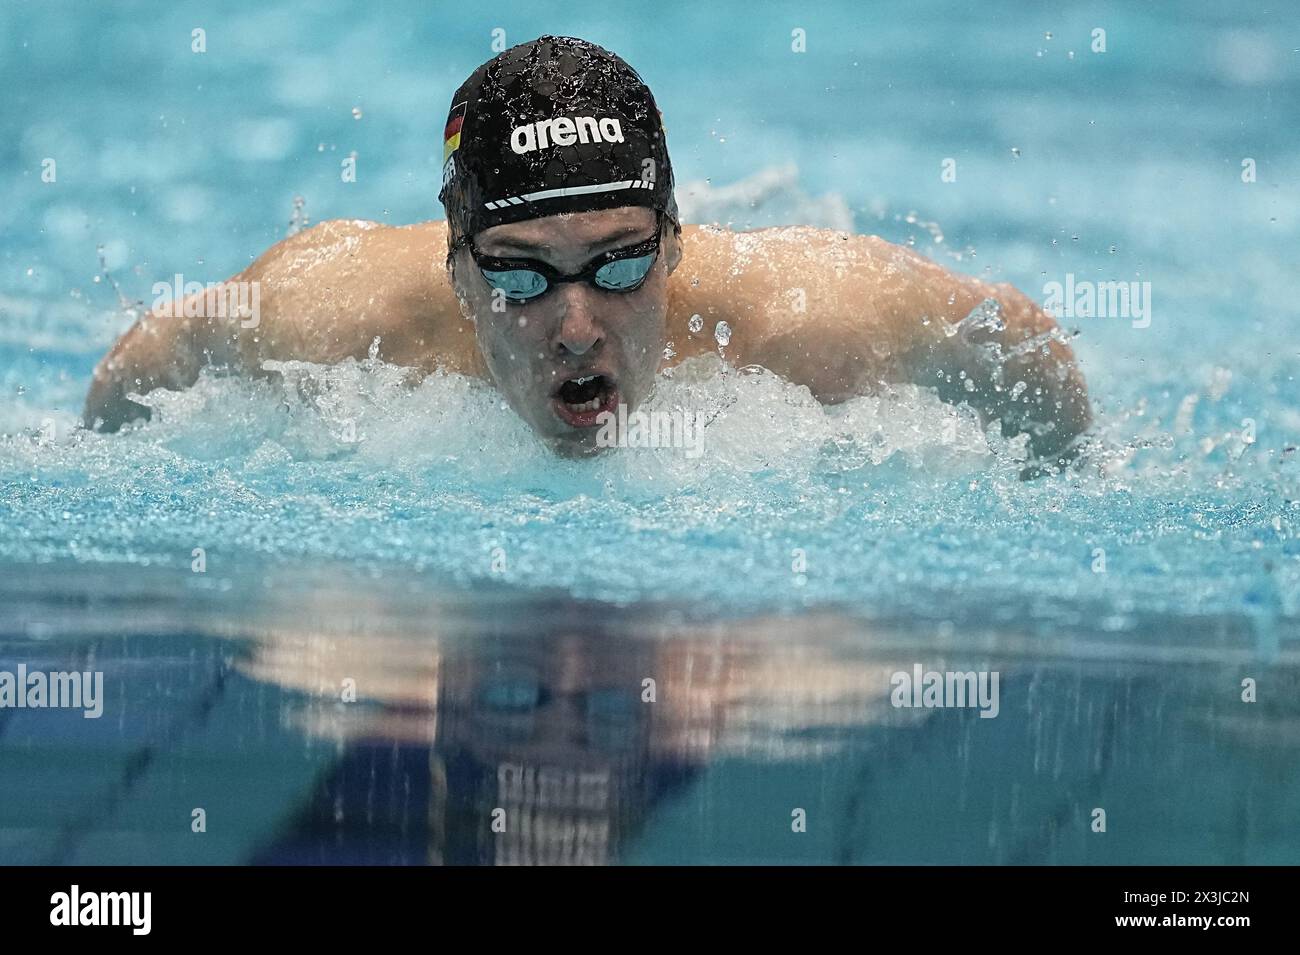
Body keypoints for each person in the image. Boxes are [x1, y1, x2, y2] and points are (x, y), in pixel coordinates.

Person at [84, 35, 1091, 468]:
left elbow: (1017, 337)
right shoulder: (335, 317)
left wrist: (1059, 482)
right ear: (457, 269)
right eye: (520, 276)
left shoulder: (813, 324)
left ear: (676, 242)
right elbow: (164, 349)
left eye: (618, 266)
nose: (574, 328)